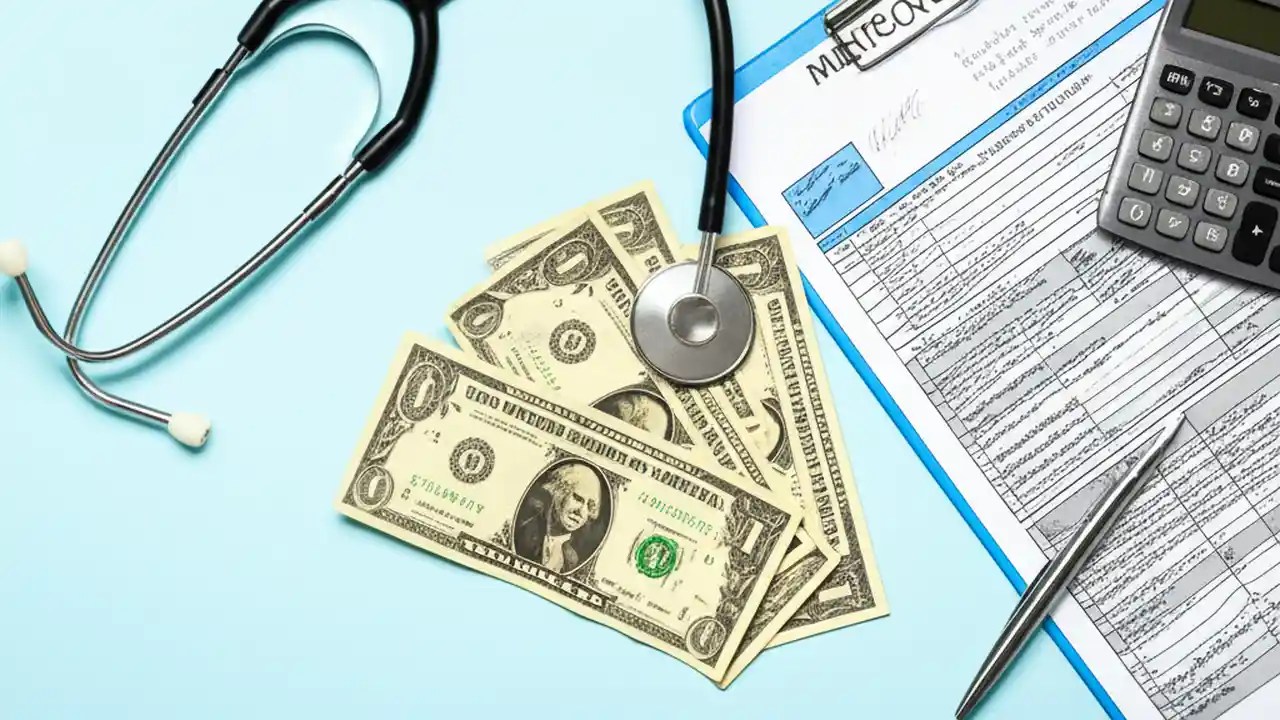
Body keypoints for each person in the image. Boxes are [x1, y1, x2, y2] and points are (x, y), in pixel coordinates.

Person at [514, 462, 606, 573]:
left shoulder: (571, 559)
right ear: (559, 493)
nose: (581, 512)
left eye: (590, 506)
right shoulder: (524, 531)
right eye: (577, 498)